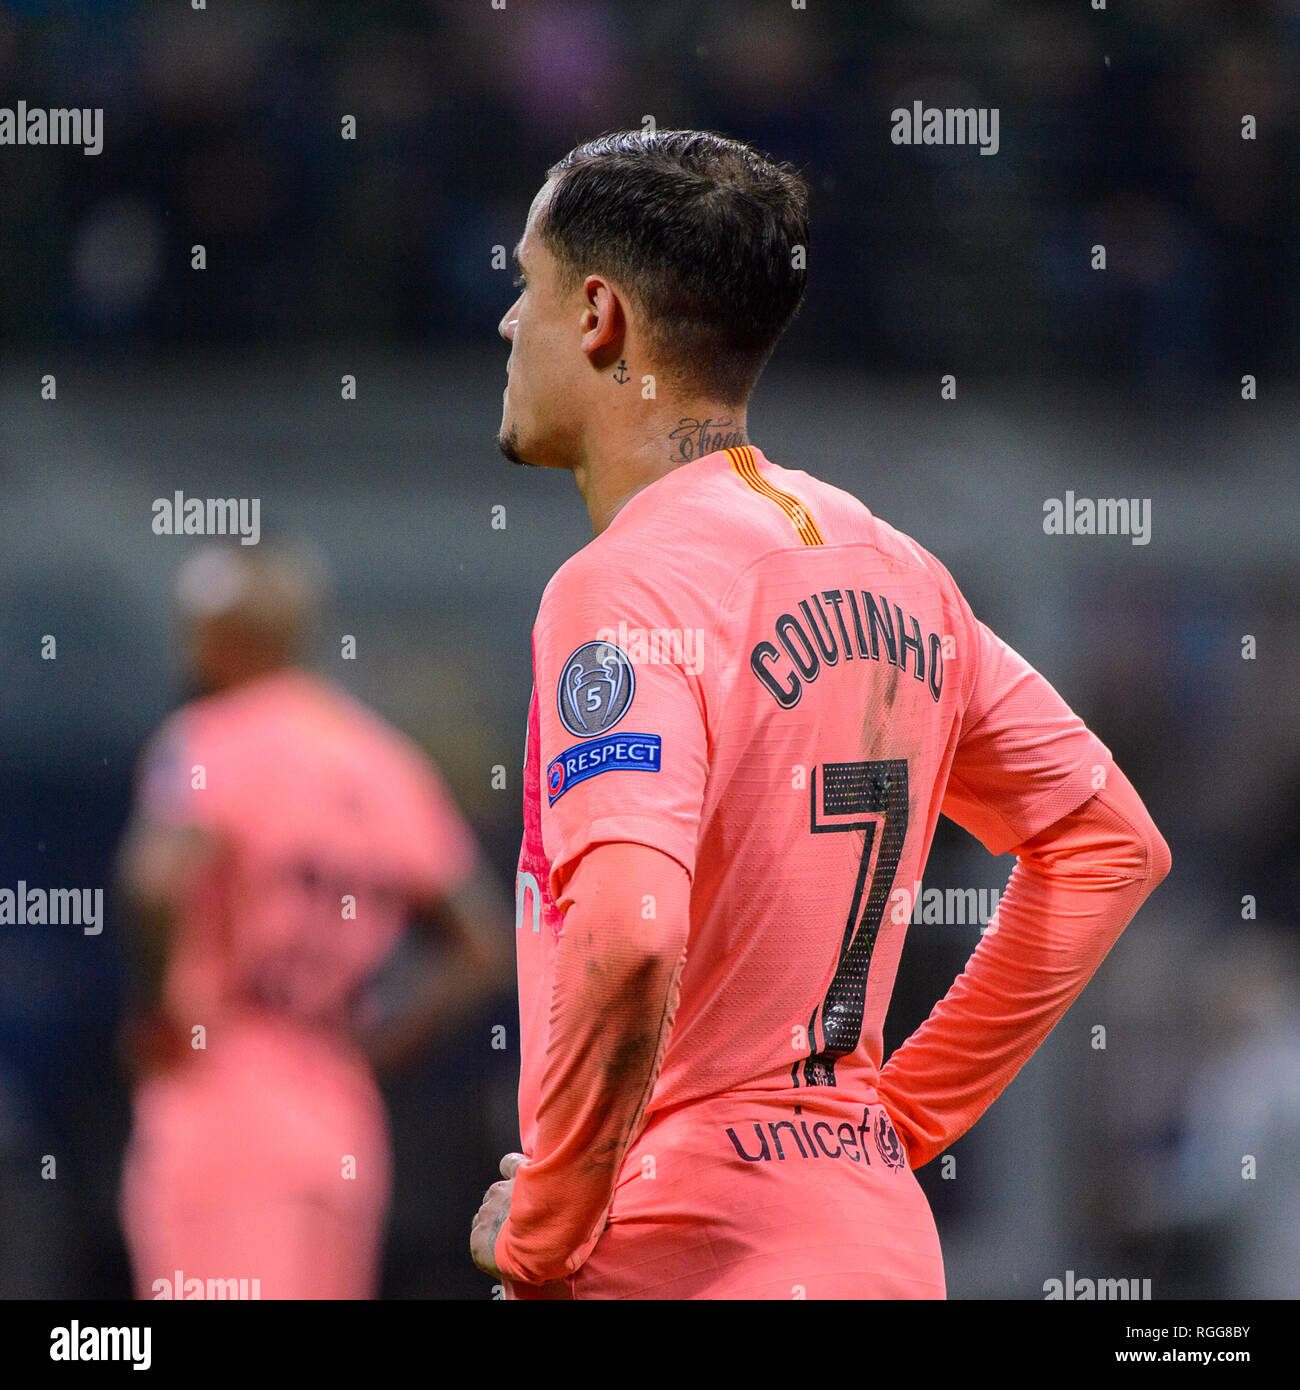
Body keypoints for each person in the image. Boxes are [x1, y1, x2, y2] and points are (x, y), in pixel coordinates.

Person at [469, 129, 1171, 1301]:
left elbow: (631, 935)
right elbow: (1108, 846)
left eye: (523, 286)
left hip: (677, 1246)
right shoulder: (897, 567)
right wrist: (887, 1123)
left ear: (598, 316)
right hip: (873, 1242)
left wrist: (545, 1222)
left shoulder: (624, 587)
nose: (504, 323)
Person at [119, 539, 508, 1299]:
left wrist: (160, 1011)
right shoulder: (383, 760)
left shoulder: (211, 737)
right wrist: (380, 1043)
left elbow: (155, 881)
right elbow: (484, 946)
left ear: (220, 640)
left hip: (222, 1101)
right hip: (338, 1118)